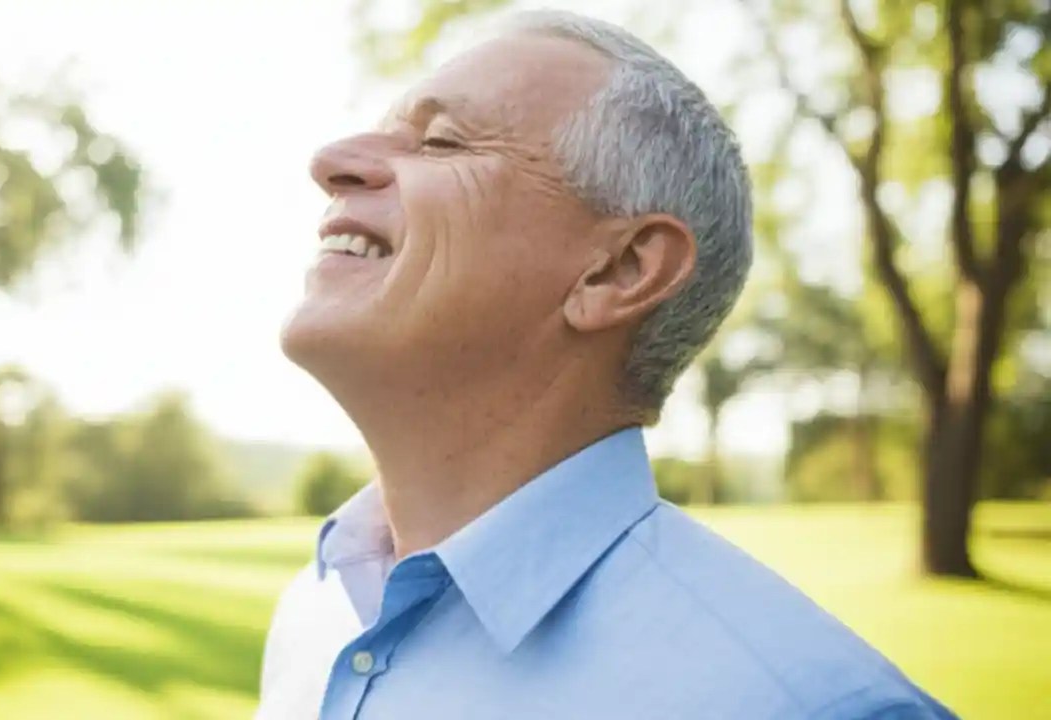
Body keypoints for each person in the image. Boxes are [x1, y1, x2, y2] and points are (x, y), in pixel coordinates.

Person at [258, 10, 955, 720]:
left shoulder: (810, 707)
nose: (331, 158)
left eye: (441, 142)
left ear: (617, 271)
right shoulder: (317, 614)